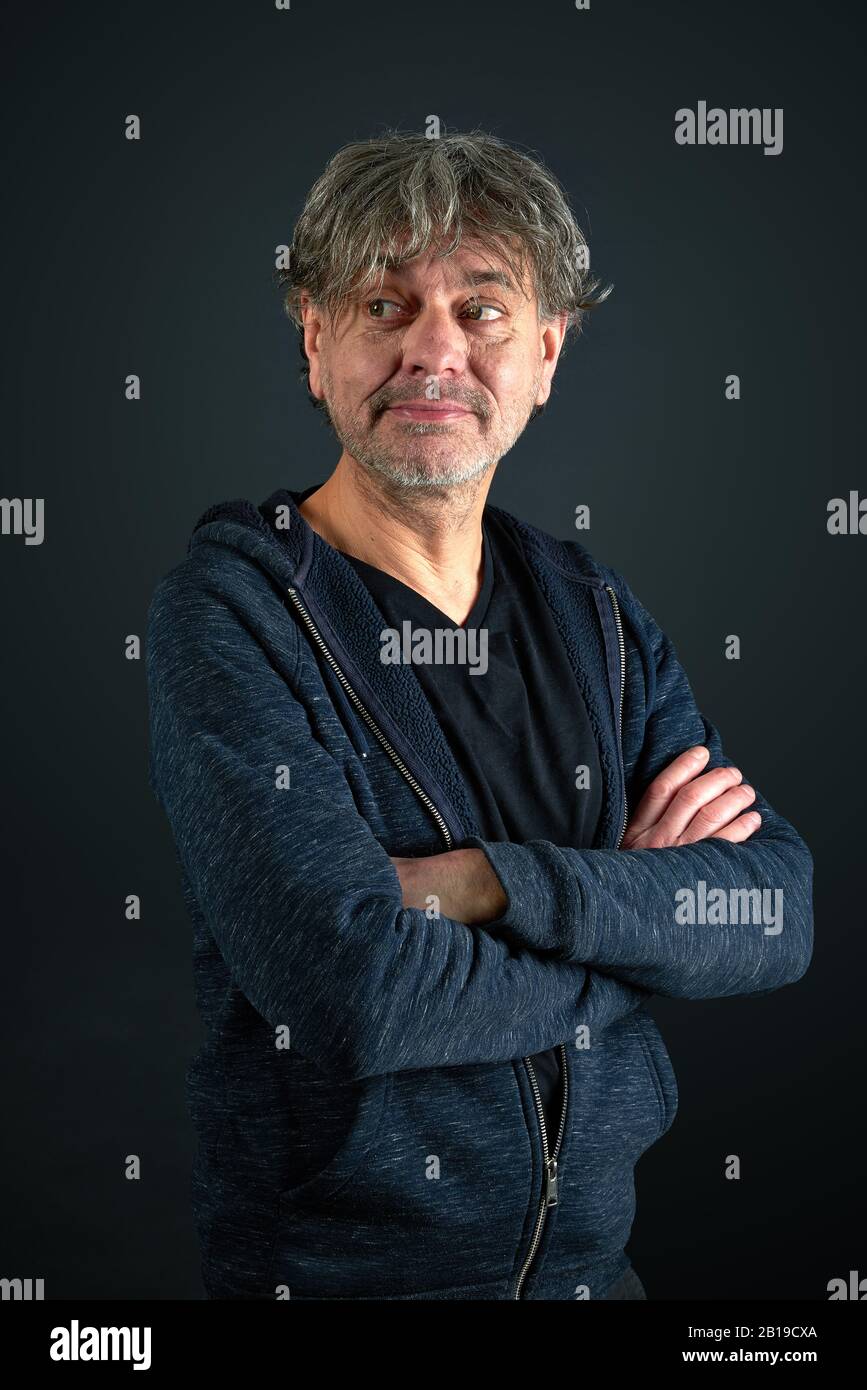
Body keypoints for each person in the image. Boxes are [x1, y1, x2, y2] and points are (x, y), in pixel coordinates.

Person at [145, 130, 813, 1301]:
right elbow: (356, 990)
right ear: (316, 342)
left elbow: (775, 911)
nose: (432, 351)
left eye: (485, 310)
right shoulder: (240, 608)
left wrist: (486, 883)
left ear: (548, 352)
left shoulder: (595, 618)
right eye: (383, 304)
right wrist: (624, 928)